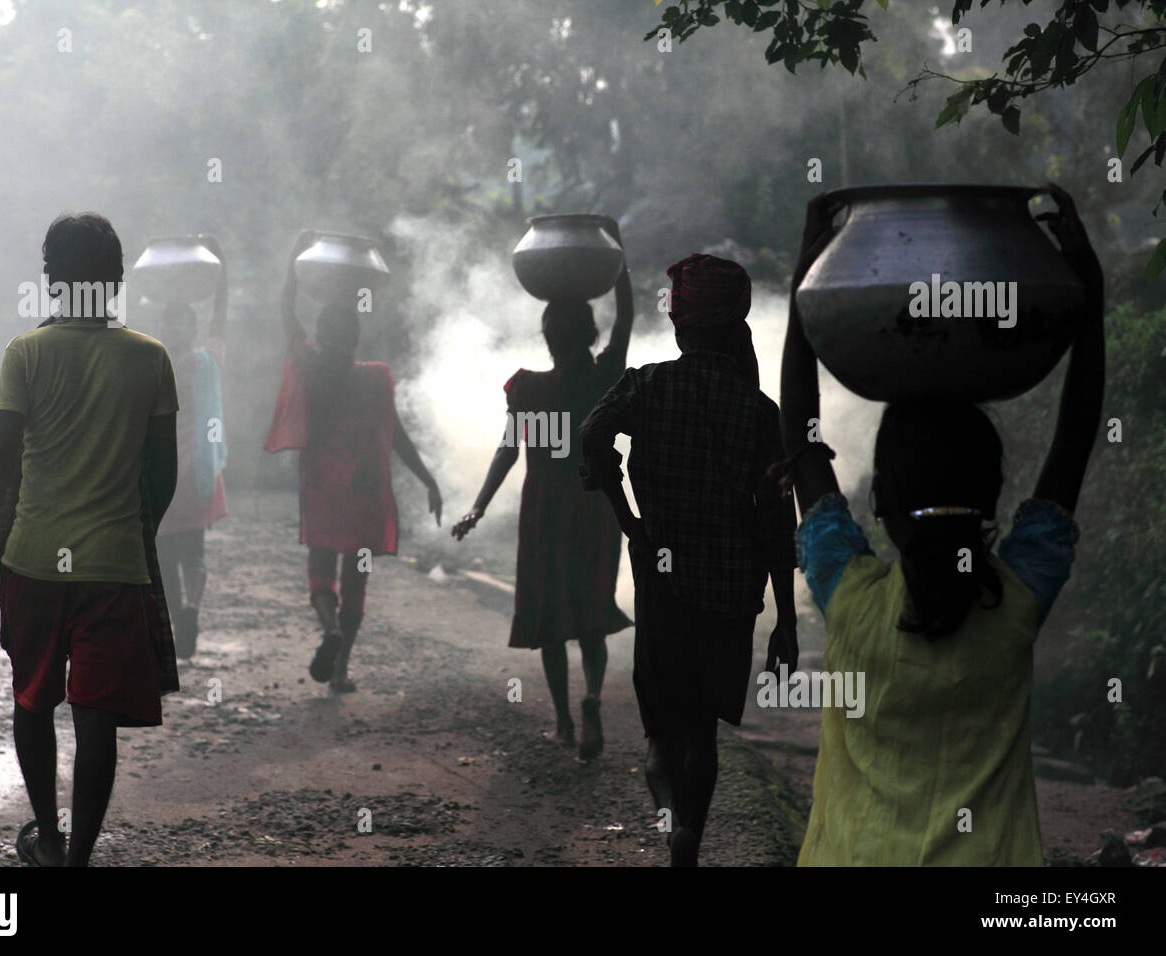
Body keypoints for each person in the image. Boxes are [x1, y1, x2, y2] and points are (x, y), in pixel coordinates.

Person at [778, 186, 1104, 865]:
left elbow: (800, 439)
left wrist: (805, 287)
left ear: (881, 504)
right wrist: (1089, 297)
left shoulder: (849, 596)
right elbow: (1075, 436)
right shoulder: (1018, 601)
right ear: (995, 494)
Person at [0, 213, 179, 867]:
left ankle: (47, 837)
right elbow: (161, 475)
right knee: (96, 713)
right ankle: (79, 858)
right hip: (113, 567)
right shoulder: (150, 358)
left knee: (33, 698)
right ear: (116, 278)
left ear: (52, 279)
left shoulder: (26, 354)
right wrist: (134, 533)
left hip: (32, 563)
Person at [580, 253, 799, 865]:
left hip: (663, 582)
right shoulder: (761, 413)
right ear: (736, 326)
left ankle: (671, 823)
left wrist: (632, 525)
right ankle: (692, 839)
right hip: (733, 594)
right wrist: (787, 619)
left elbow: (592, 437)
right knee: (702, 730)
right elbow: (778, 522)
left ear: (679, 325)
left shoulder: (646, 385)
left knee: (661, 733)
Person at [452, 217, 634, 761]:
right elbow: (627, 314)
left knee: (552, 619)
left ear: (546, 338)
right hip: (598, 504)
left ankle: (561, 722)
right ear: (592, 337)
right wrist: (617, 247)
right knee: (592, 614)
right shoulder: (604, 375)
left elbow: (508, 451)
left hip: (546, 511)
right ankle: (594, 698)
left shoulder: (529, 389)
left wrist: (478, 507)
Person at [267, 230, 442, 693]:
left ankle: (330, 630)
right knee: (358, 578)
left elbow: (286, 311)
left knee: (321, 569)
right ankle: (341, 670)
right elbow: (398, 437)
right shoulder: (376, 378)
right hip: (365, 492)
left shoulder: (307, 362)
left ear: (321, 334)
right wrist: (428, 481)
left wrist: (294, 254)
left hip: (323, 487)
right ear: (356, 335)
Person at [155, 235, 229, 660]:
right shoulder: (206, 361)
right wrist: (222, 270)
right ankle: (190, 611)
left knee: (165, 551)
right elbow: (220, 320)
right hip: (199, 471)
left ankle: (176, 623)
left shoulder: (152, 361)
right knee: (194, 551)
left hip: (164, 475)